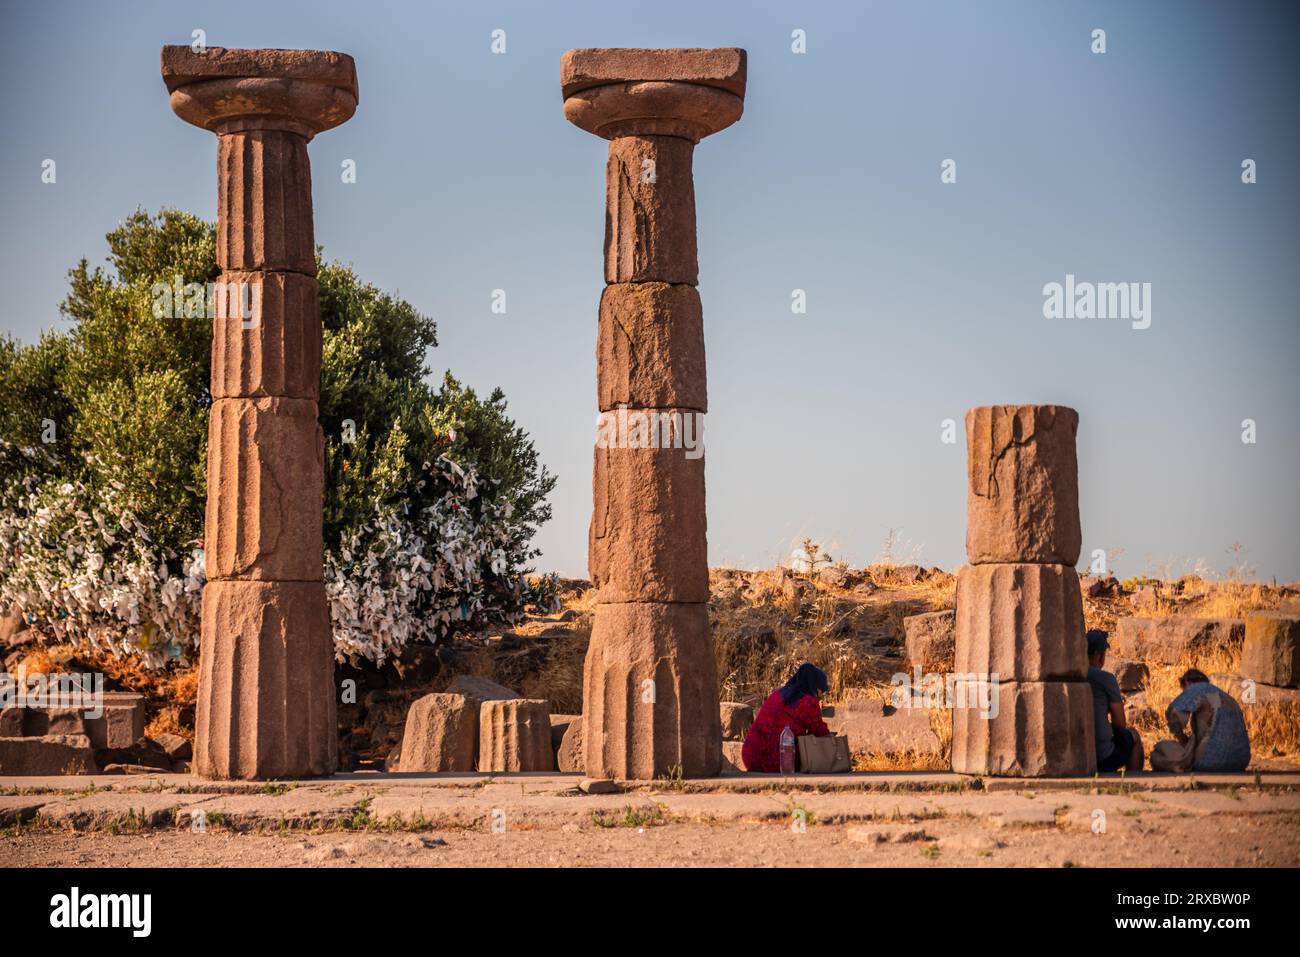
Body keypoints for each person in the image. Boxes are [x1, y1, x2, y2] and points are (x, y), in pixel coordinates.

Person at [1149, 669, 1251, 772]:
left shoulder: (1195, 689)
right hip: (1240, 762)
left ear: (1187, 682)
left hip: (1210, 761)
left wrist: (1180, 736)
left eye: (1184, 690)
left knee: (1157, 752)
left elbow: (1174, 711)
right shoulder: (1226, 697)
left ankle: (1180, 767)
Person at [742, 663, 832, 773]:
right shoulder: (808, 701)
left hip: (751, 756)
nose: (821, 696)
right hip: (779, 762)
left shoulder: (777, 694)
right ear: (816, 687)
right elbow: (820, 731)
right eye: (822, 691)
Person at [1086, 629, 1144, 772]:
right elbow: (1120, 724)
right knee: (1133, 736)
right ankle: (1134, 779)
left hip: (1079, 756)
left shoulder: (1073, 676)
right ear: (1099, 656)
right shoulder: (1106, 679)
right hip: (1103, 757)